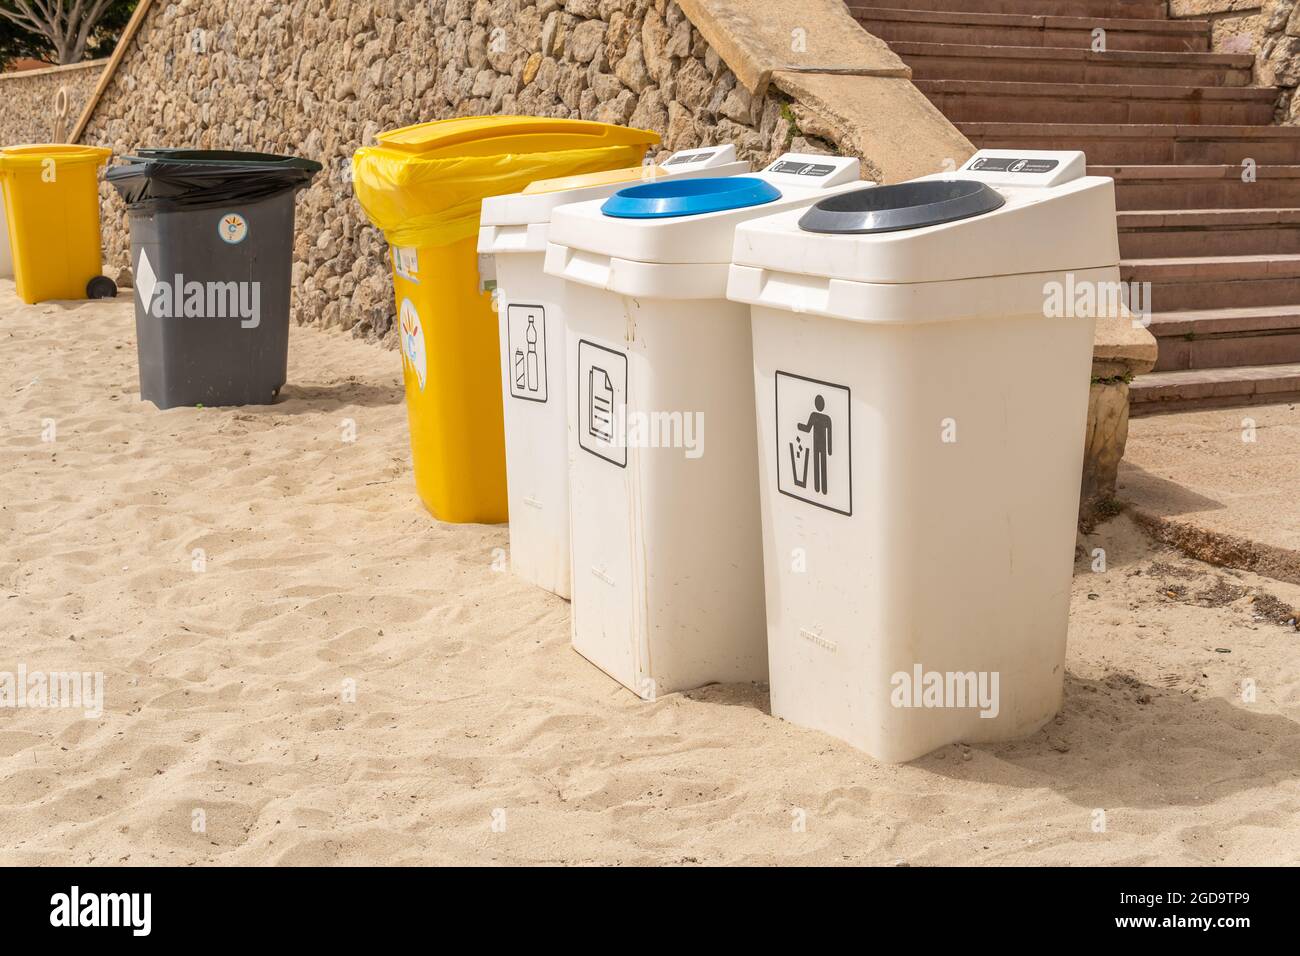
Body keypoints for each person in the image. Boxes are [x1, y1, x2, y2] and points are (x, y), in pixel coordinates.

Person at [796, 395, 832, 495]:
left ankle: (818, 488)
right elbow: (829, 434)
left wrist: (800, 426)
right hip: (821, 445)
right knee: (820, 464)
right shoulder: (825, 418)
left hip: (817, 444)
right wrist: (829, 450)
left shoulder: (816, 416)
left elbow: (807, 428)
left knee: (818, 464)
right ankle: (822, 489)